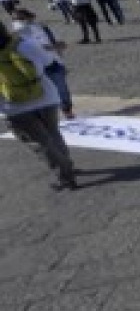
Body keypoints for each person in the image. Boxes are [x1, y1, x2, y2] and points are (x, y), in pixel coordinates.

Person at [1, 22, 79, 190]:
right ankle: (67, 166)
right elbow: (48, 61)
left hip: (14, 106)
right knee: (53, 133)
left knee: (40, 144)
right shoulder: (23, 43)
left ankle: (65, 175)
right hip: (46, 97)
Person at [10, 8, 73, 119]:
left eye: (21, 18)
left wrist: (54, 48)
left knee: (62, 88)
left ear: (30, 17)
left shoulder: (45, 29)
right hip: (34, 68)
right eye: (15, 19)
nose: (19, 22)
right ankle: (48, 115)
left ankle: (67, 110)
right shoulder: (17, 35)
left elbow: (61, 44)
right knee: (41, 93)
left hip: (53, 63)